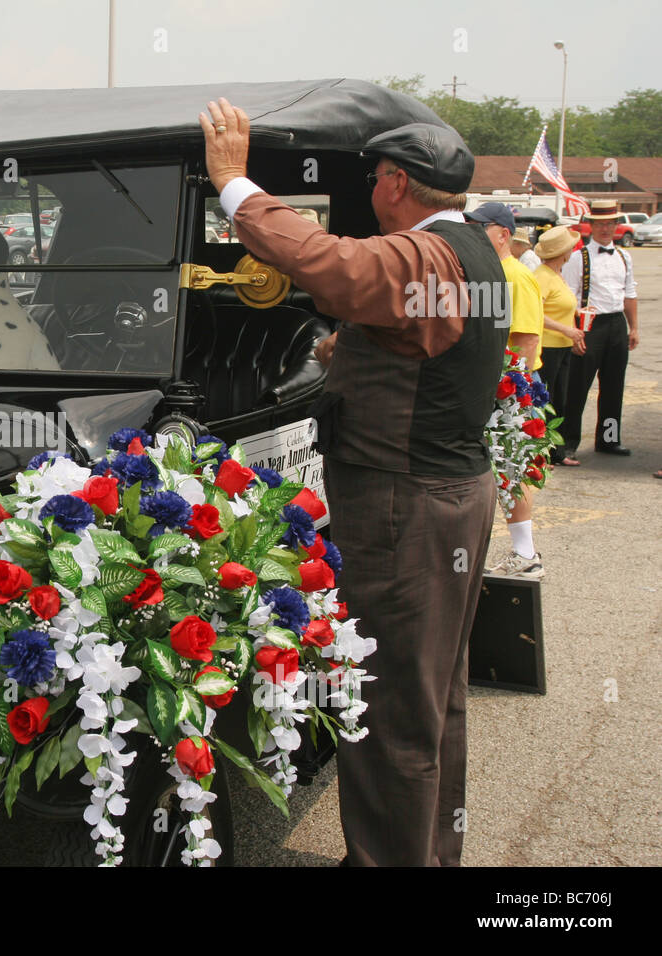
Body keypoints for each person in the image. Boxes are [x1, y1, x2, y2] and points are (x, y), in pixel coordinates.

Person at [201, 99, 507, 866]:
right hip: (446, 495)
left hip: (407, 502)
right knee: (433, 699)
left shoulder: (424, 255)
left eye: (376, 177)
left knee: (392, 707)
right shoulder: (471, 249)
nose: (372, 189)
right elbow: (419, 339)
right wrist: (353, 354)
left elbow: (331, 263)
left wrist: (235, 184)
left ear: (398, 182)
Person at [465, 203, 546, 578]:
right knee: (499, 468)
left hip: (513, 388)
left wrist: (511, 395)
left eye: (478, 228)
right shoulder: (494, 272)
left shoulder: (515, 275)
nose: (470, 233)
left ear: (502, 234)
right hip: (494, 383)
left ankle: (525, 553)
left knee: (512, 467)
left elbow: (527, 339)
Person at [560, 199, 640, 459]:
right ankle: (568, 443)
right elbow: (570, 296)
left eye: (610, 224)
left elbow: (629, 293)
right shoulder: (577, 257)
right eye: (600, 224)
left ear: (617, 226)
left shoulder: (624, 256)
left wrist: (634, 327)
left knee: (614, 386)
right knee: (577, 386)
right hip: (588, 325)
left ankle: (608, 439)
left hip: (616, 323)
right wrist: (574, 332)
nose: (605, 229)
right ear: (591, 226)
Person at [529, 227, 585, 469]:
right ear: (565, 252)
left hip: (561, 345)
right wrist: (566, 331)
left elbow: (563, 308)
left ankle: (556, 451)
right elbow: (536, 313)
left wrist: (573, 332)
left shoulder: (556, 274)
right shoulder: (542, 276)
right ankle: (543, 451)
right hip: (549, 346)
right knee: (546, 401)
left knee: (559, 400)